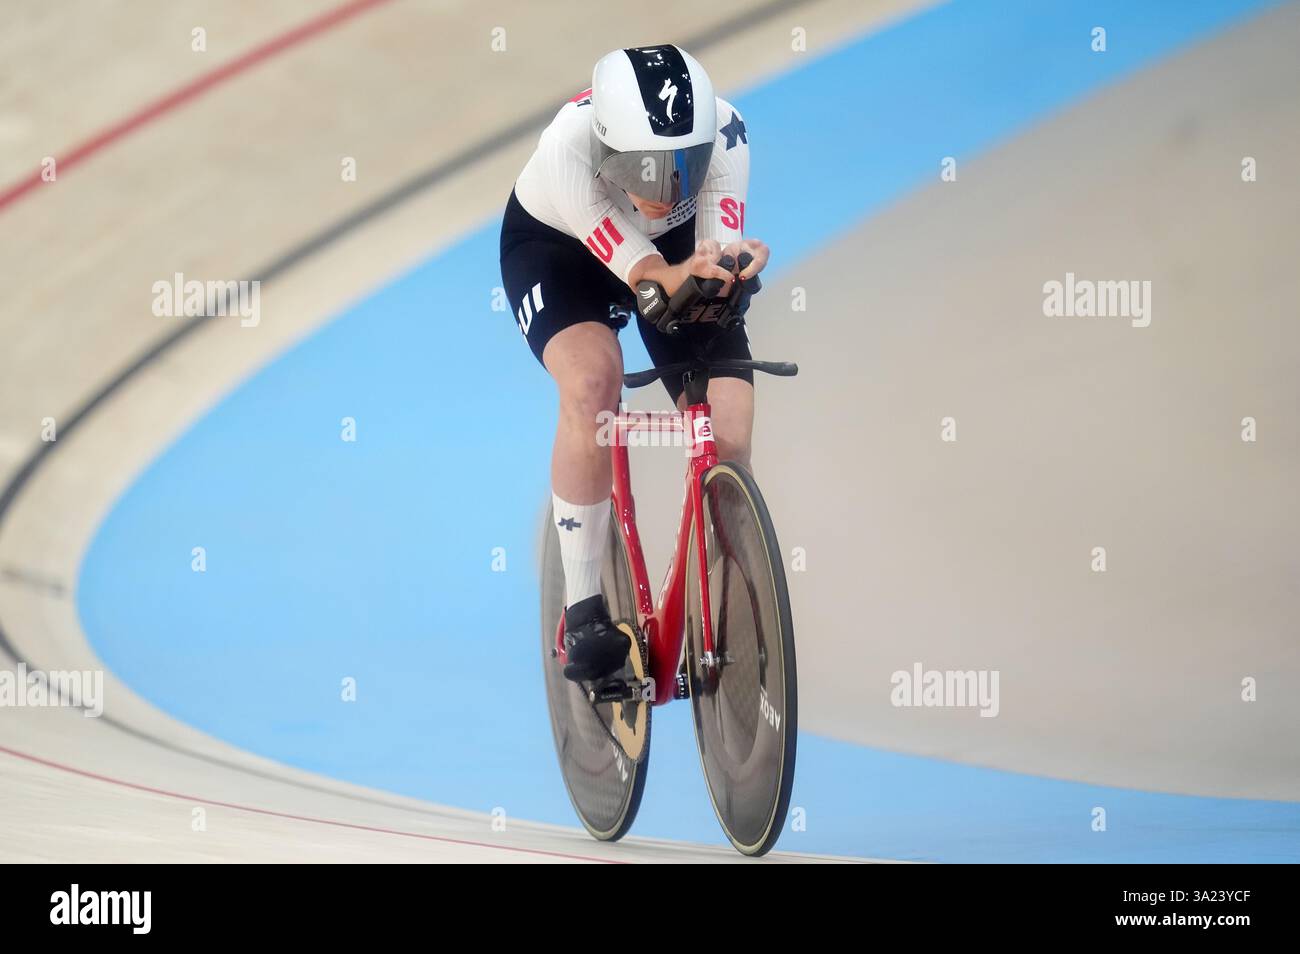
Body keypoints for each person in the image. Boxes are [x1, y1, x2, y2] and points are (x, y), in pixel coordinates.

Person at [500, 45, 768, 683]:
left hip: (670, 253)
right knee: (594, 381)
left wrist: (731, 271)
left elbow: (709, 256)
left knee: (727, 427)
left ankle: (727, 601)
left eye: (682, 165)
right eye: (644, 169)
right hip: (560, 251)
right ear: (607, 146)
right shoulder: (569, 148)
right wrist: (687, 277)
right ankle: (584, 607)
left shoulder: (726, 137)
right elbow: (647, 277)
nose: (665, 187)